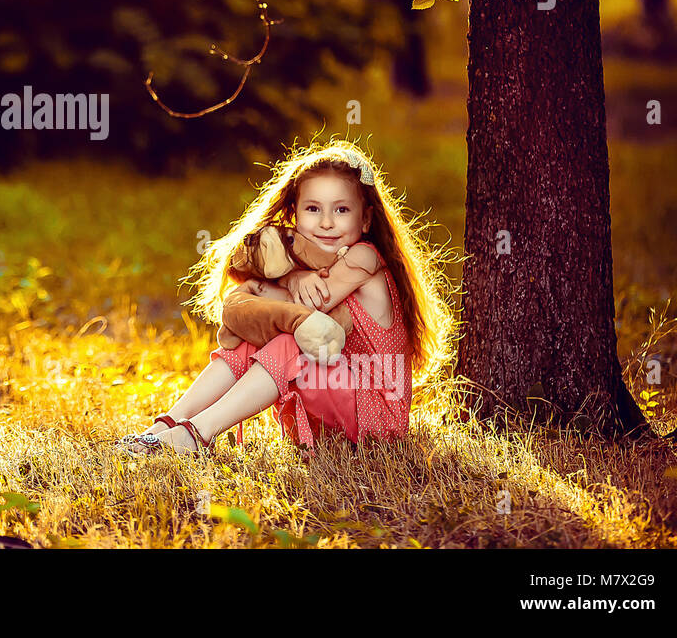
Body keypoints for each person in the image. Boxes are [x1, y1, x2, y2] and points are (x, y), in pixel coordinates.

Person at [124, 141, 455, 457]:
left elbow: (302, 306)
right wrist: (293, 275)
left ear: (366, 219)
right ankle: (166, 424)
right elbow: (270, 289)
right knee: (250, 342)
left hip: (377, 418)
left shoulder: (364, 258)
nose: (326, 222)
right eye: (313, 209)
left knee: (291, 342)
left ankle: (197, 433)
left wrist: (279, 282)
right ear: (294, 214)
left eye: (341, 209)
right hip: (336, 399)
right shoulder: (305, 265)